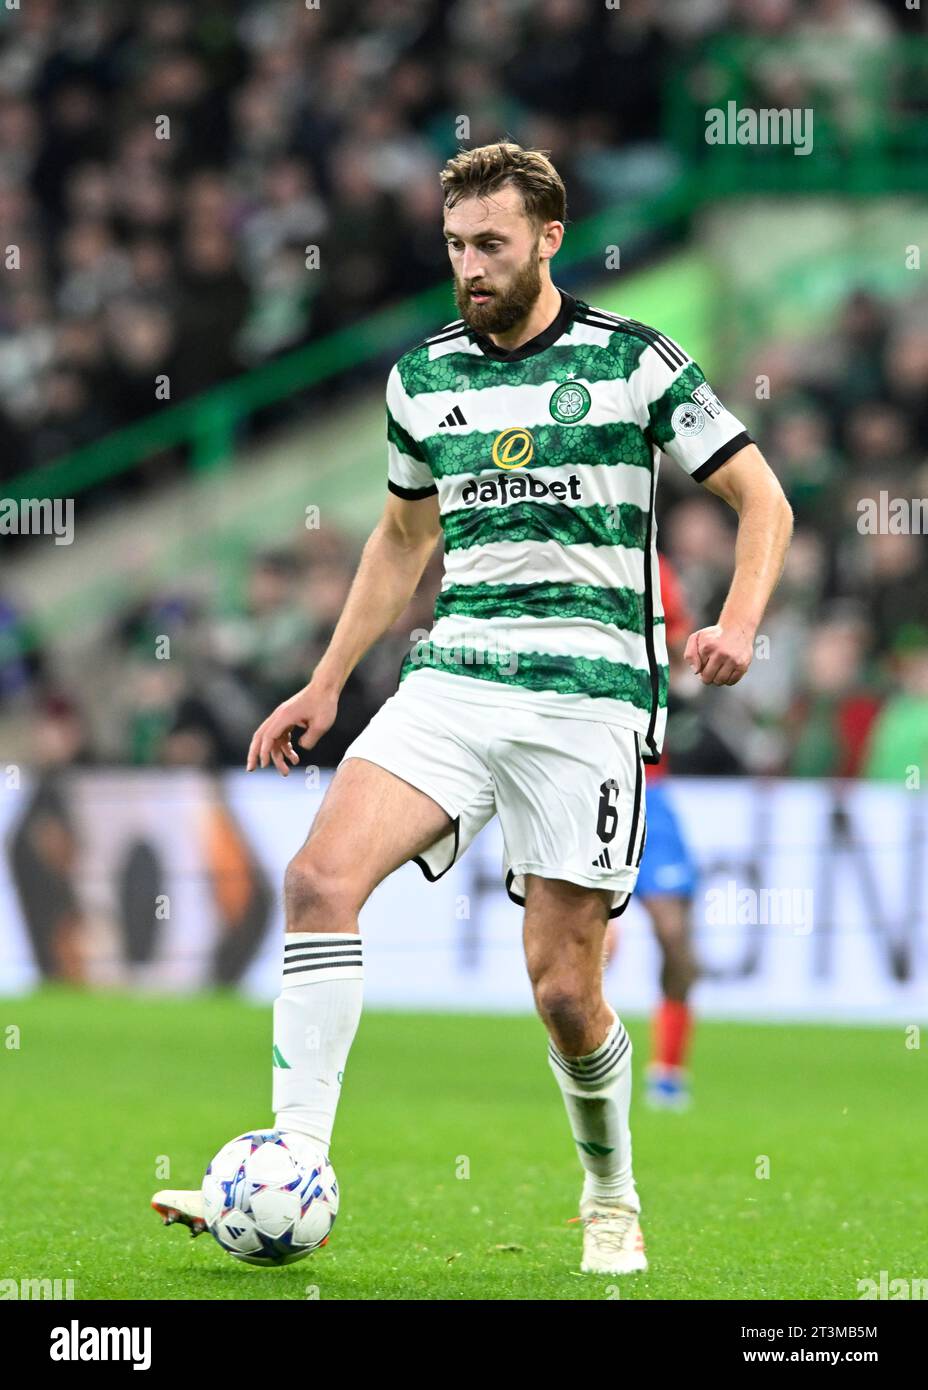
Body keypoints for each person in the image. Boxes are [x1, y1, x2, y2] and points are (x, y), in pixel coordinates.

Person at [152, 141, 793, 1275]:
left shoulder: (634, 364)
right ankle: (291, 1159)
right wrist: (327, 677)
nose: (470, 267)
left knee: (561, 991)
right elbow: (403, 538)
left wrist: (737, 623)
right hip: (450, 681)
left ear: (549, 238)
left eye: (490, 244)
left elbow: (763, 502)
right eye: (455, 246)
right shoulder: (424, 379)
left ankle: (609, 1190)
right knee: (317, 880)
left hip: (587, 703)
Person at [604, 554, 700, 1111]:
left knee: (674, 937)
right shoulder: (568, 545)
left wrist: (688, 674)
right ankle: (588, 1058)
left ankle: (668, 1069)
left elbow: (683, 656)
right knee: (585, 944)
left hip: (651, 787)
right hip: (591, 780)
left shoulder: (657, 567)